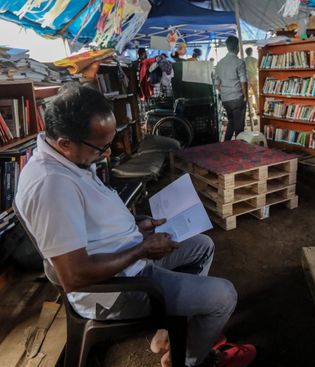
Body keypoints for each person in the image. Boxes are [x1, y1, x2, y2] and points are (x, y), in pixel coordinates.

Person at [14, 85, 257, 367]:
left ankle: (168, 334)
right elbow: (75, 276)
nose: (107, 154)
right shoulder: (51, 186)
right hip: (114, 290)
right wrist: (142, 249)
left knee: (202, 246)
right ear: (66, 142)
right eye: (101, 147)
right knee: (224, 296)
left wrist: (135, 227)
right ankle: (188, 360)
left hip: (127, 261)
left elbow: (90, 226)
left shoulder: (68, 160)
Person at [215, 36, 248, 141]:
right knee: (239, 127)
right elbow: (243, 80)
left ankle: (226, 145)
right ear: (237, 47)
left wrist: (224, 92)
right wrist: (245, 96)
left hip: (225, 99)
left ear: (227, 47)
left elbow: (216, 83)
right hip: (237, 98)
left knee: (231, 122)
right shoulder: (239, 62)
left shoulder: (219, 63)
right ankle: (239, 149)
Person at [244, 47, 259, 114]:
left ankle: (251, 111)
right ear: (251, 52)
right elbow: (258, 68)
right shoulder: (255, 60)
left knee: (248, 95)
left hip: (247, 79)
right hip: (254, 78)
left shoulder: (244, 60)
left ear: (246, 52)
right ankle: (258, 110)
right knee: (256, 94)